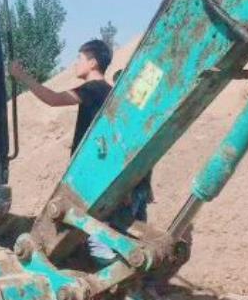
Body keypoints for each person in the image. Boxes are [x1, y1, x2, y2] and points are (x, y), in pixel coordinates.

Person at [9, 40, 153, 244]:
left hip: (98, 178)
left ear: (93, 63)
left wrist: (21, 76)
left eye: (80, 58)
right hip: (121, 180)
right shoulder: (111, 92)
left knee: (101, 244)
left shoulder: (92, 89)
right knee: (129, 239)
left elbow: (53, 99)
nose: (75, 64)